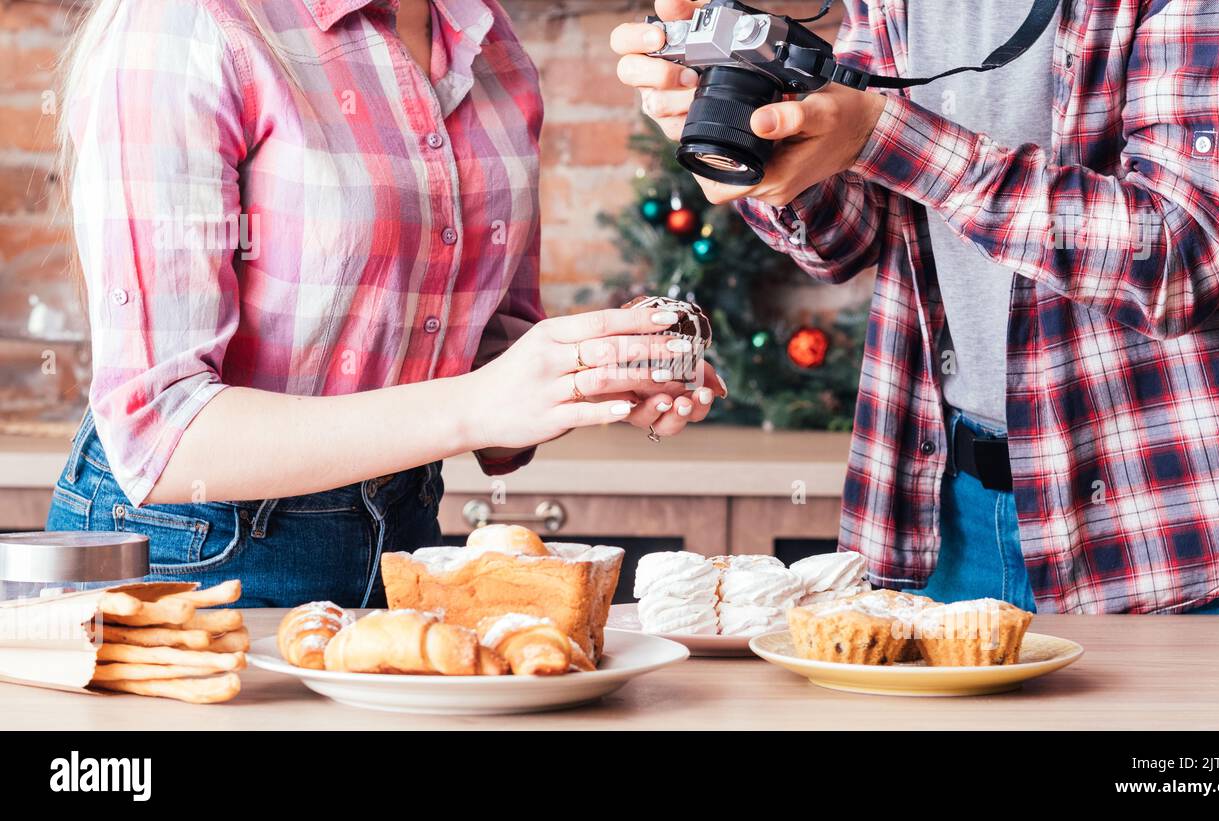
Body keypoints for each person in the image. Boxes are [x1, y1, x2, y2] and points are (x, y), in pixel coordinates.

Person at [614, 0, 1219, 614]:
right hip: (938, 518)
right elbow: (846, 237)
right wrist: (752, 132)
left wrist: (885, 136)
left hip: (1172, 532)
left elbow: (1181, 253)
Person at [46, 0, 722, 608]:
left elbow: (478, 364)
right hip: (186, 557)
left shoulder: (487, 37)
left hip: (401, 541)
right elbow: (161, 432)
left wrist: (589, 374)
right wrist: (479, 403)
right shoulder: (184, 22)